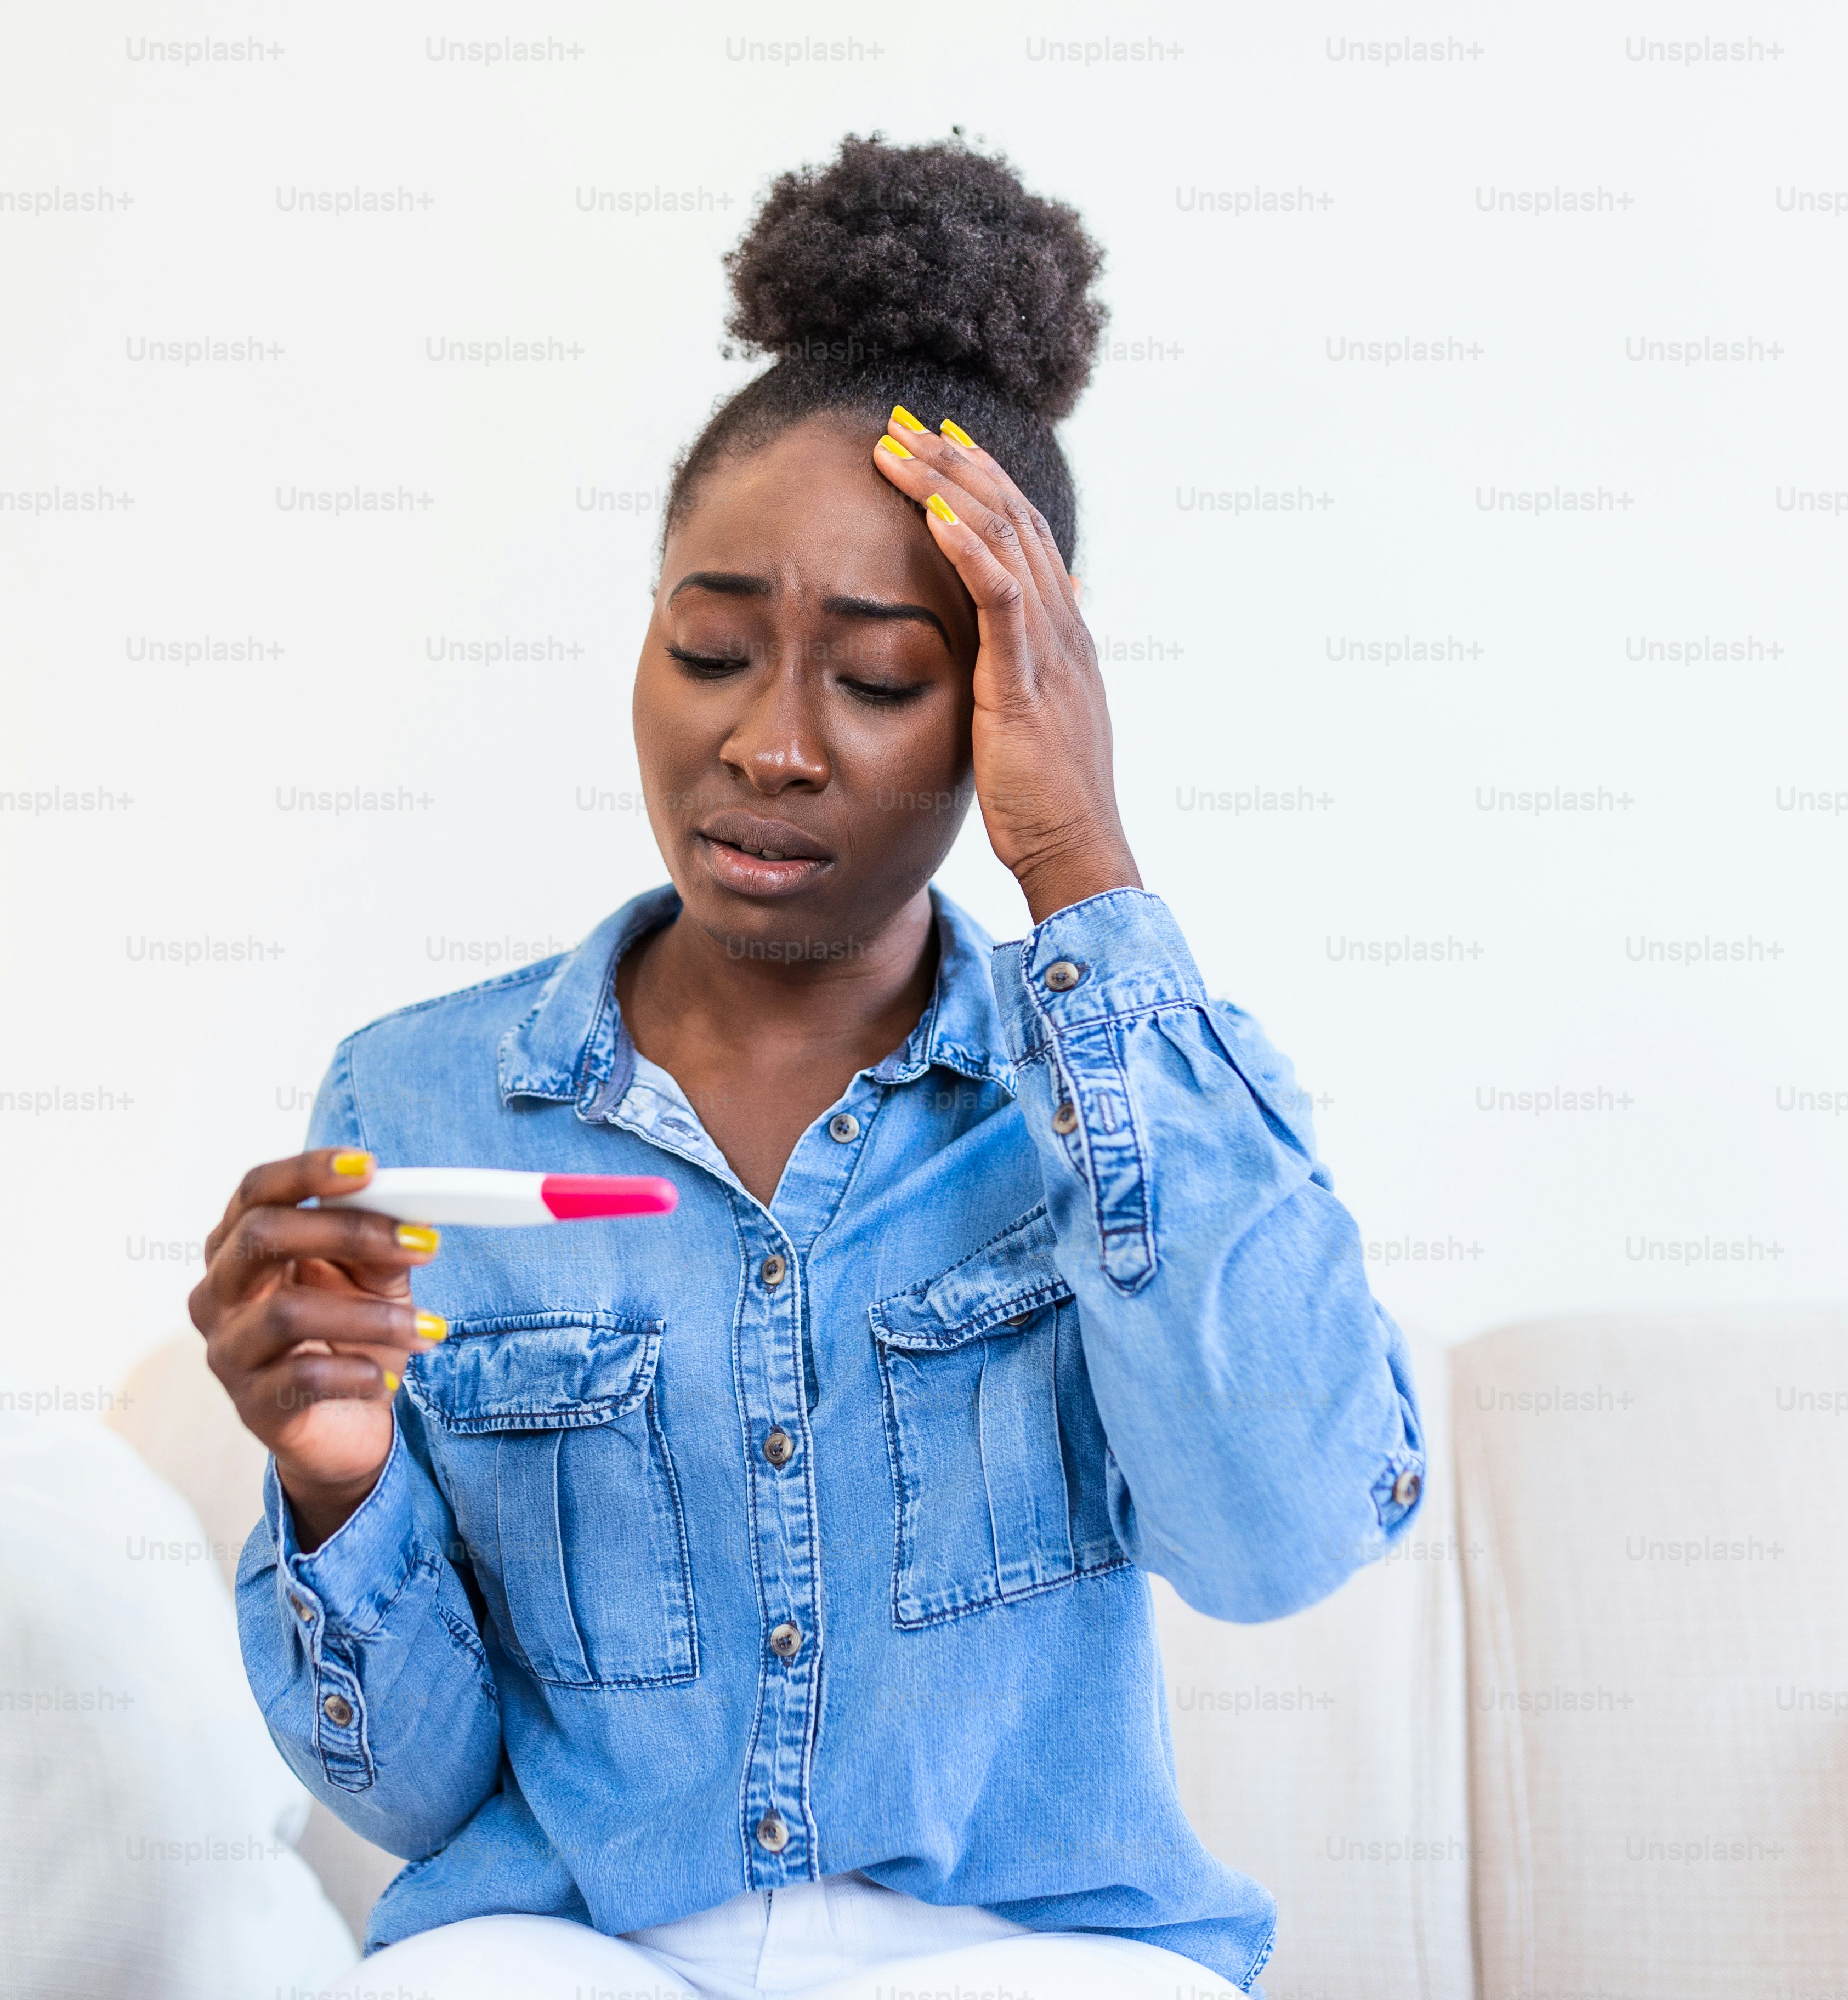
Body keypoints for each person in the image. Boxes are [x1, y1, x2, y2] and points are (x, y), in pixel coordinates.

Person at [190, 134, 1426, 2000]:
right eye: (711, 647)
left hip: (1027, 1950)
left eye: (875, 677)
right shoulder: (417, 1108)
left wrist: (1081, 861)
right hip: (575, 1946)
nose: (770, 743)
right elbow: (421, 1788)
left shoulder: (1104, 1093)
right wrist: (335, 1482)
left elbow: (1280, 1538)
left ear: (1012, 694)